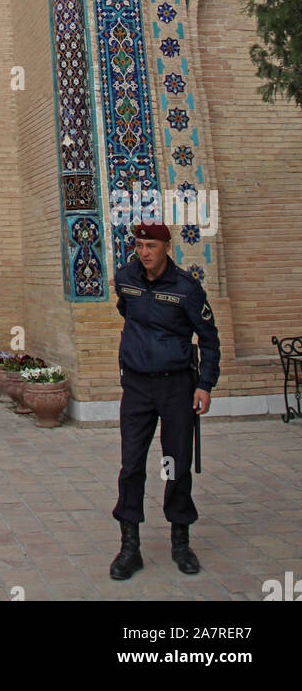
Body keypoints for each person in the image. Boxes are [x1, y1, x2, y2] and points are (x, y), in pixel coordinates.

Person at [110, 222, 220, 581]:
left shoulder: (187, 289)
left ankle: (180, 542)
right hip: (138, 388)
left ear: (166, 247)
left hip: (176, 389)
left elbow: (208, 338)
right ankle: (130, 547)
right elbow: (126, 311)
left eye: (151, 246)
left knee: (175, 464)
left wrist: (204, 385)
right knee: (131, 466)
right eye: (140, 245)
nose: (144, 253)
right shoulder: (126, 278)